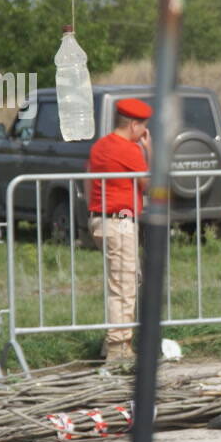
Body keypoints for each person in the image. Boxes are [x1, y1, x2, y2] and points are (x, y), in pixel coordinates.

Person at [85, 98, 152, 362]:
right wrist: (149, 150)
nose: (143, 134)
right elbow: (149, 184)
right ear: (134, 125)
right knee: (124, 287)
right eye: (143, 129)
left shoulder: (100, 146)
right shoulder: (128, 150)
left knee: (122, 282)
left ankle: (115, 342)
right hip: (120, 222)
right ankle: (118, 348)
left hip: (101, 220)